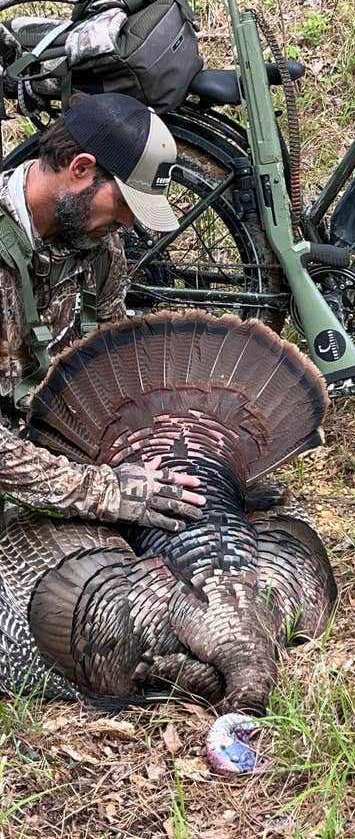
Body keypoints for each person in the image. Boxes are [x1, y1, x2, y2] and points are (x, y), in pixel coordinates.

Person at [0, 92, 204, 532]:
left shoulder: (99, 245)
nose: (129, 224)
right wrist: (109, 491)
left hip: (47, 450)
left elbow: (111, 354)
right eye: (126, 203)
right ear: (81, 169)